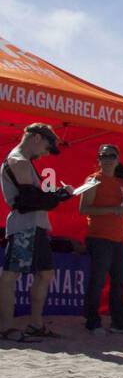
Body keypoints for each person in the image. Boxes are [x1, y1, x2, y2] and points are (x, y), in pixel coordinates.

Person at [0, 123, 73, 342]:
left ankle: (35, 324)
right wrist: (59, 197)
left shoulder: (26, 162)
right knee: (11, 276)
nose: (46, 153)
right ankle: (6, 327)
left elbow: (36, 198)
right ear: (36, 138)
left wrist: (57, 196)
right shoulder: (18, 161)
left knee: (46, 273)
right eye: (47, 147)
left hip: (37, 225)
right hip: (25, 226)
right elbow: (29, 200)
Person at [79, 144, 123, 336]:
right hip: (98, 237)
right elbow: (84, 209)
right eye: (103, 156)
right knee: (97, 281)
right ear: (98, 159)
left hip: (117, 239)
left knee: (119, 282)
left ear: (117, 159)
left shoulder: (121, 183)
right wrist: (113, 209)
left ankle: (120, 323)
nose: (107, 159)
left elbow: (122, 212)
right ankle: (92, 322)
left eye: (111, 155)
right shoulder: (93, 180)